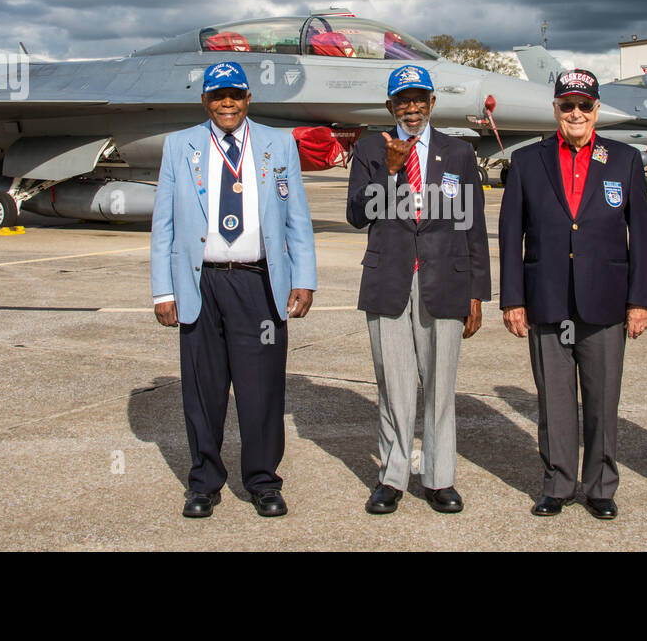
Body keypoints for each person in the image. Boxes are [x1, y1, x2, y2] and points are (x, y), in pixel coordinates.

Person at [150, 61, 317, 519]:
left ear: (248, 99)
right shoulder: (179, 146)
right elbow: (162, 224)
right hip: (200, 280)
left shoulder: (278, 144)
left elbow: (297, 218)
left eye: (236, 94)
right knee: (203, 388)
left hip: (257, 282)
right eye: (218, 95)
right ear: (204, 101)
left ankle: (263, 481)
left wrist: (304, 277)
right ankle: (204, 481)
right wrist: (162, 290)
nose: (228, 103)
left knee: (261, 388)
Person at [499, 68, 647, 519]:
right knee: (554, 398)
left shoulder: (625, 160)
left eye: (585, 105)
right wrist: (512, 298)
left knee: (603, 399)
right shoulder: (528, 161)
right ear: (555, 110)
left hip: (605, 301)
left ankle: (601, 486)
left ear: (597, 110)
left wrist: (639, 300)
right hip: (546, 298)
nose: (576, 113)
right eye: (567, 105)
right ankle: (558, 483)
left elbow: (640, 237)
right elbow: (511, 236)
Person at [346, 64, 490, 514]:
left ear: (432, 104)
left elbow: (472, 225)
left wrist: (477, 292)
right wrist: (389, 174)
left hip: (445, 278)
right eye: (402, 101)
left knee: (441, 383)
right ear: (390, 106)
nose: (412, 108)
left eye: (419, 99)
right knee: (394, 383)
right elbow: (356, 214)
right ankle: (392, 476)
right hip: (389, 277)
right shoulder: (371, 148)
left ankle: (439, 478)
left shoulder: (458, 152)